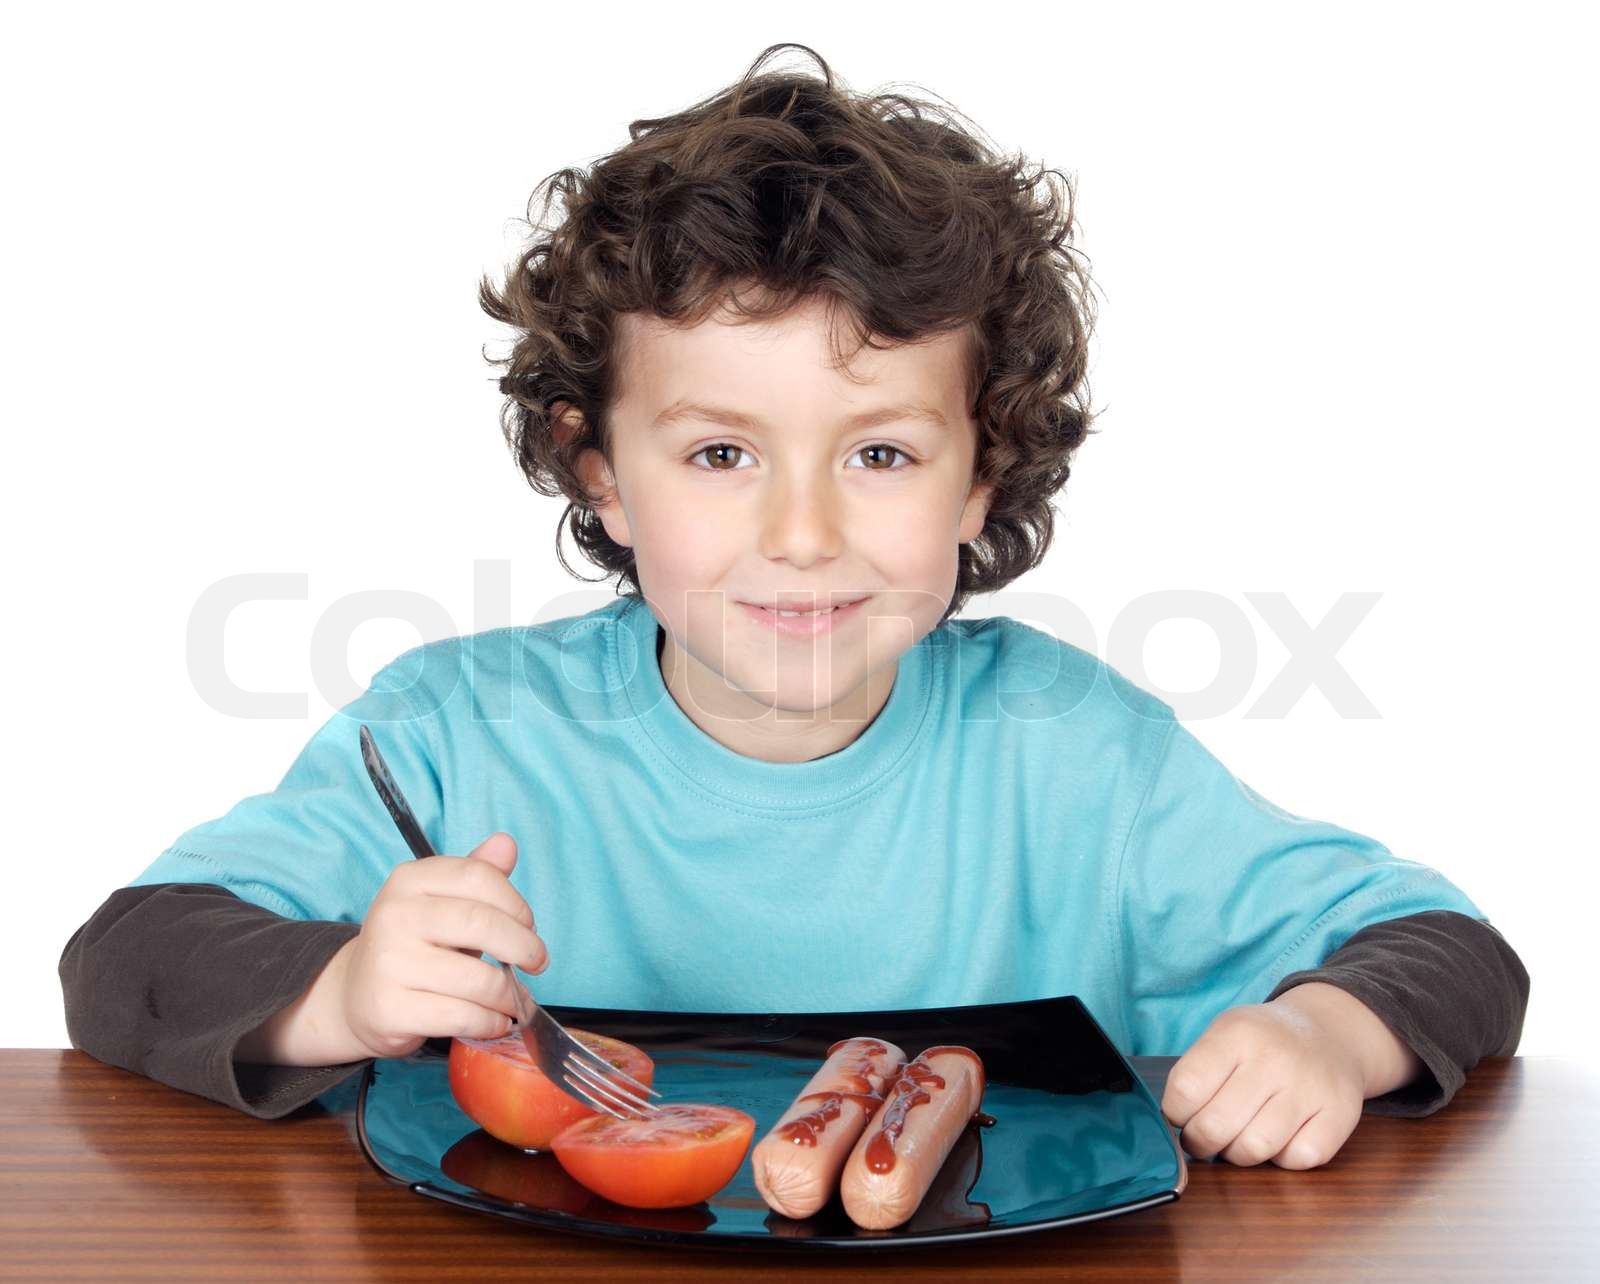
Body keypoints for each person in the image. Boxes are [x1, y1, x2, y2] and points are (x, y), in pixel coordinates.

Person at [60, 43, 1526, 1171]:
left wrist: (1333, 1032)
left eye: (880, 452)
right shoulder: (454, 736)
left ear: (979, 477)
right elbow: (126, 958)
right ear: (602, 473)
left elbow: (1445, 946)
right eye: (718, 453)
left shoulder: (1079, 754)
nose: (805, 534)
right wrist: (338, 991)